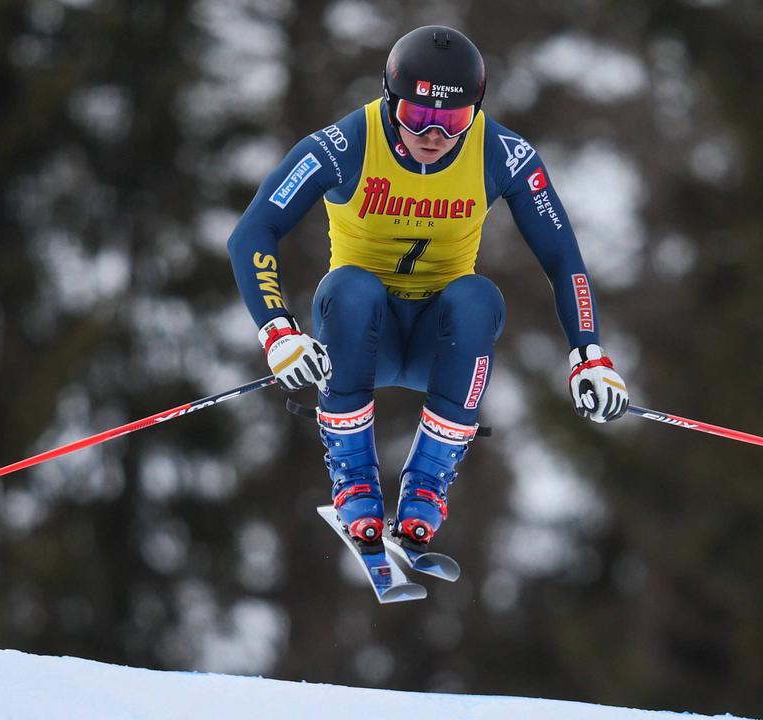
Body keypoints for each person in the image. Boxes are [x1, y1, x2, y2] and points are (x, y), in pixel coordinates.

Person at [227, 25, 629, 551]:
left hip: (441, 347)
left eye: (454, 119)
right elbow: (251, 233)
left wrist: (590, 354)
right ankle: (354, 478)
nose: (434, 133)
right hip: (359, 340)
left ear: (476, 110)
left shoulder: (501, 153)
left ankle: (429, 483)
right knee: (350, 288)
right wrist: (278, 331)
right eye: (418, 115)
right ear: (390, 99)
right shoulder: (345, 144)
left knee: (477, 297)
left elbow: (563, 258)